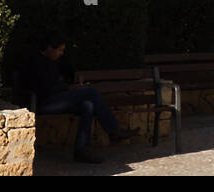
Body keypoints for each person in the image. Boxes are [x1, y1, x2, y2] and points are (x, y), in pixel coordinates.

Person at [26, 30, 138, 164]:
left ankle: (81, 150)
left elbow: (68, 71)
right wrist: (70, 89)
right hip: (43, 102)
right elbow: (46, 89)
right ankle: (114, 131)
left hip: (59, 99)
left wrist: (76, 79)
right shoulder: (35, 62)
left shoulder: (55, 59)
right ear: (50, 48)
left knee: (88, 105)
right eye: (60, 50)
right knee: (89, 92)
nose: (61, 53)